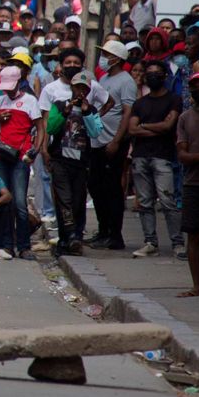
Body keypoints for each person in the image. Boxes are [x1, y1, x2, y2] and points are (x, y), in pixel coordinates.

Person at [0, 64, 44, 259]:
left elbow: (40, 128)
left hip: (20, 157)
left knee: (19, 202)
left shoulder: (29, 101)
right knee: (4, 201)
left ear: (18, 82)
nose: (7, 89)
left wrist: (35, 150)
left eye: (10, 85)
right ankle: (7, 244)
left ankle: (24, 246)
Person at [43, 69, 104, 256]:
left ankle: (69, 238)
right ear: (72, 87)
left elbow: (95, 132)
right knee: (64, 200)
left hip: (80, 162)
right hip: (61, 159)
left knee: (77, 201)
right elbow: (51, 128)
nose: (80, 92)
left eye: (84, 89)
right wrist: (66, 111)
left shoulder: (91, 110)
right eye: (77, 87)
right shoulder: (60, 105)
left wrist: (86, 113)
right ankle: (70, 236)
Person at [128, 58, 183, 258]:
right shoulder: (140, 103)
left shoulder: (174, 100)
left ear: (164, 76)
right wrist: (156, 128)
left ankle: (177, 242)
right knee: (145, 202)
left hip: (163, 156)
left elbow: (169, 127)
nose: (152, 76)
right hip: (140, 156)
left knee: (168, 200)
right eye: (148, 73)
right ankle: (150, 242)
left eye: (156, 73)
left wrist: (144, 127)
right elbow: (132, 128)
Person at [89, 40, 136, 250]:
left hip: (112, 142)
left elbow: (127, 112)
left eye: (107, 54)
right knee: (96, 186)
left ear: (116, 58)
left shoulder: (126, 82)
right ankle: (103, 229)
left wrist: (117, 140)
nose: (104, 58)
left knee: (112, 189)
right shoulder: (104, 78)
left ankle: (115, 235)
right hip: (97, 140)